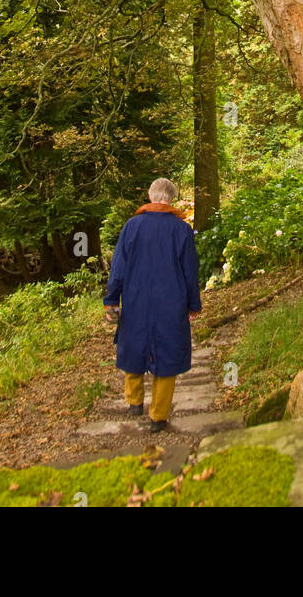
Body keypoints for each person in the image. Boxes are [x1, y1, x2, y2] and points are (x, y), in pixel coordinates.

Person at [103, 177, 201, 433]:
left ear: (150, 197)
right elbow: (190, 271)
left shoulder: (132, 227)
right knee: (167, 353)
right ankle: (158, 416)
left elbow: (118, 267)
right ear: (172, 198)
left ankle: (134, 402)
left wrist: (112, 298)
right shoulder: (182, 230)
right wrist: (193, 303)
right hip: (172, 301)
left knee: (133, 344)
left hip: (136, 298)